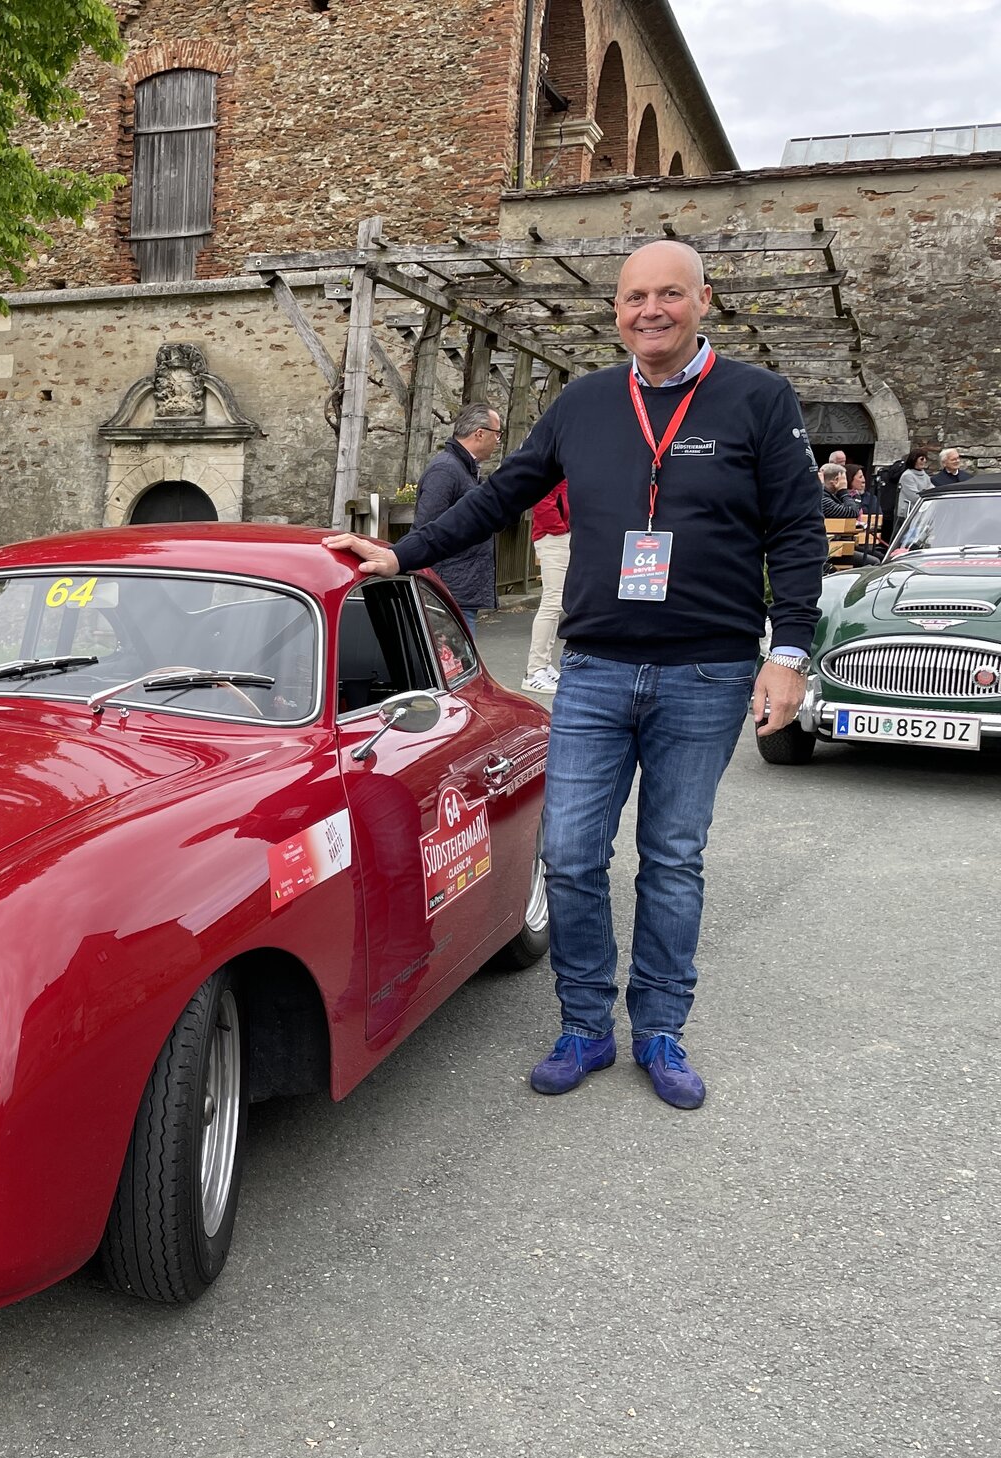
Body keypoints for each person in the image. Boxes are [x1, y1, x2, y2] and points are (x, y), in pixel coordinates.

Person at [325, 239, 824, 1111]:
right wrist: (403, 553)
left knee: (673, 857)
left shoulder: (757, 398)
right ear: (617, 309)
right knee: (571, 853)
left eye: (669, 294)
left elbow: (797, 529)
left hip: (706, 671)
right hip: (595, 670)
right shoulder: (587, 402)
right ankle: (586, 1024)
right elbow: (502, 494)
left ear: (704, 300)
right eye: (635, 297)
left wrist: (788, 653)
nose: (651, 311)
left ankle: (659, 1028)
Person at [412, 401, 504, 629]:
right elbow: (425, 529)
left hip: (459, 588)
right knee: (454, 651)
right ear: (480, 433)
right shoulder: (446, 469)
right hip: (450, 591)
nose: (498, 441)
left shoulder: (464, 469)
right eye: (497, 434)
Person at [523, 480, 571, 694]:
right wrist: (560, 529)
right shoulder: (555, 465)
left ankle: (542, 665)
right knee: (552, 602)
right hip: (554, 536)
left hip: (558, 534)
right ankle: (535, 670)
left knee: (554, 603)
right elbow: (543, 499)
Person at [819, 462, 861, 568]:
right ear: (836, 480)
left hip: (836, 546)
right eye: (844, 479)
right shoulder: (823, 499)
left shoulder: (828, 496)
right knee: (874, 561)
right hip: (830, 551)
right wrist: (843, 491)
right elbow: (852, 512)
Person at [848, 464, 883, 555]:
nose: (863, 480)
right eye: (860, 477)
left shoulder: (871, 498)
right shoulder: (844, 497)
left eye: (863, 476)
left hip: (867, 539)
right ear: (850, 479)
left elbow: (877, 518)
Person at [895, 449, 934, 526]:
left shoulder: (925, 475)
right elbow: (914, 496)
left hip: (921, 513)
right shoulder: (907, 476)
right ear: (914, 460)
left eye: (925, 459)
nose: (924, 461)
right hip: (908, 515)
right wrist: (926, 493)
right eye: (922, 459)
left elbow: (932, 490)